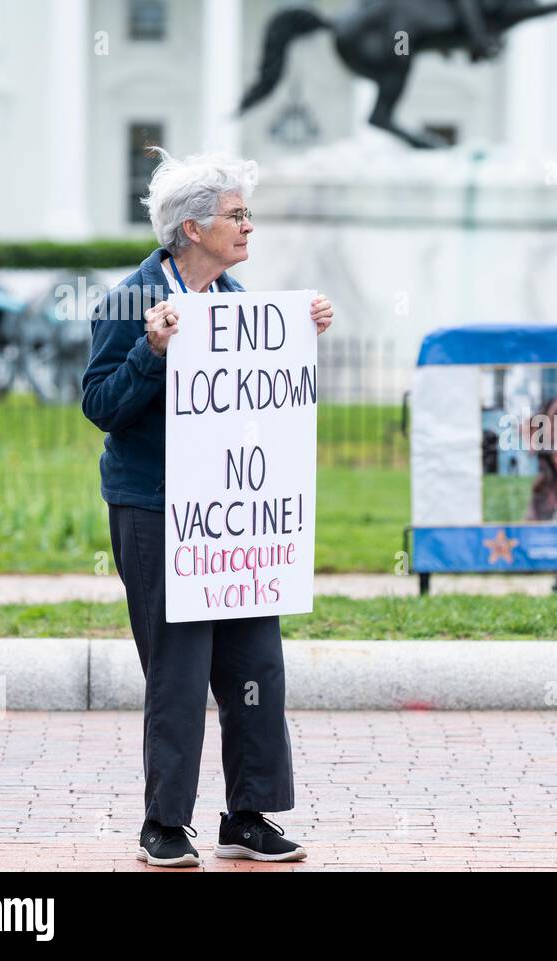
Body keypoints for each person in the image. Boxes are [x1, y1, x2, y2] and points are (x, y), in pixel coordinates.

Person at [81, 148, 334, 867]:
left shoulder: (238, 304)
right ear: (192, 229)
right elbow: (99, 404)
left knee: (256, 658)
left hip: (234, 513)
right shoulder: (131, 302)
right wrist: (151, 352)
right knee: (179, 669)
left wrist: (296, 336)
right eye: (237, 215)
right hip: (158, 510)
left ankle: (248, 814)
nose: (249, 225)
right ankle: (164, 823)